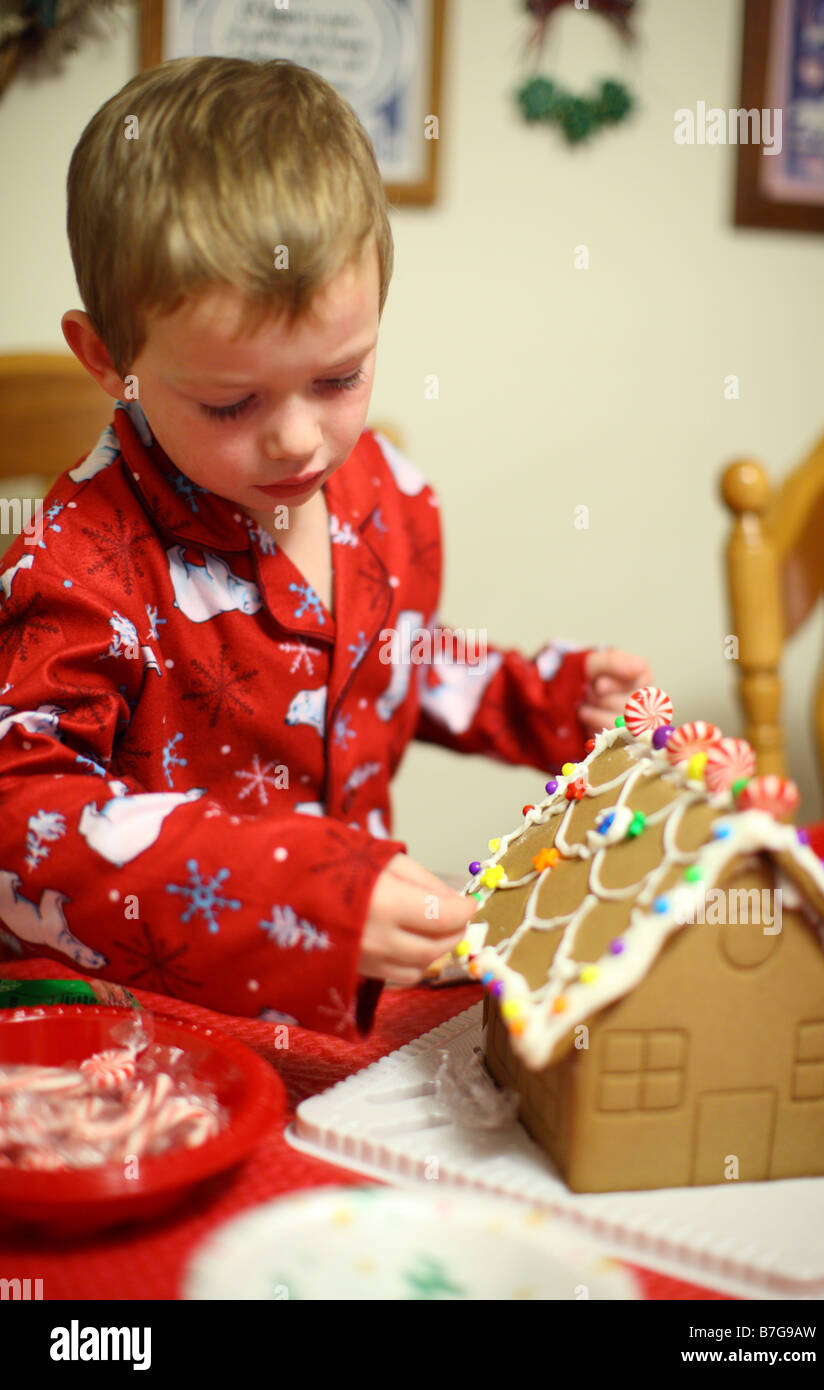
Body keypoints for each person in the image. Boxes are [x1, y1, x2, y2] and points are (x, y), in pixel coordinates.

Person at [0, 57, 650, 1038]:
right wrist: (298, 890)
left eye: (338, 378)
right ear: (109, 361)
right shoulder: (79, 559)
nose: (298, 439)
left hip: (348, 1011)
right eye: (230, 401)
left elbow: (390, 666)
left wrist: (549, 698)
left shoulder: (389, 496)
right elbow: (20, 818)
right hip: (145, 1040)